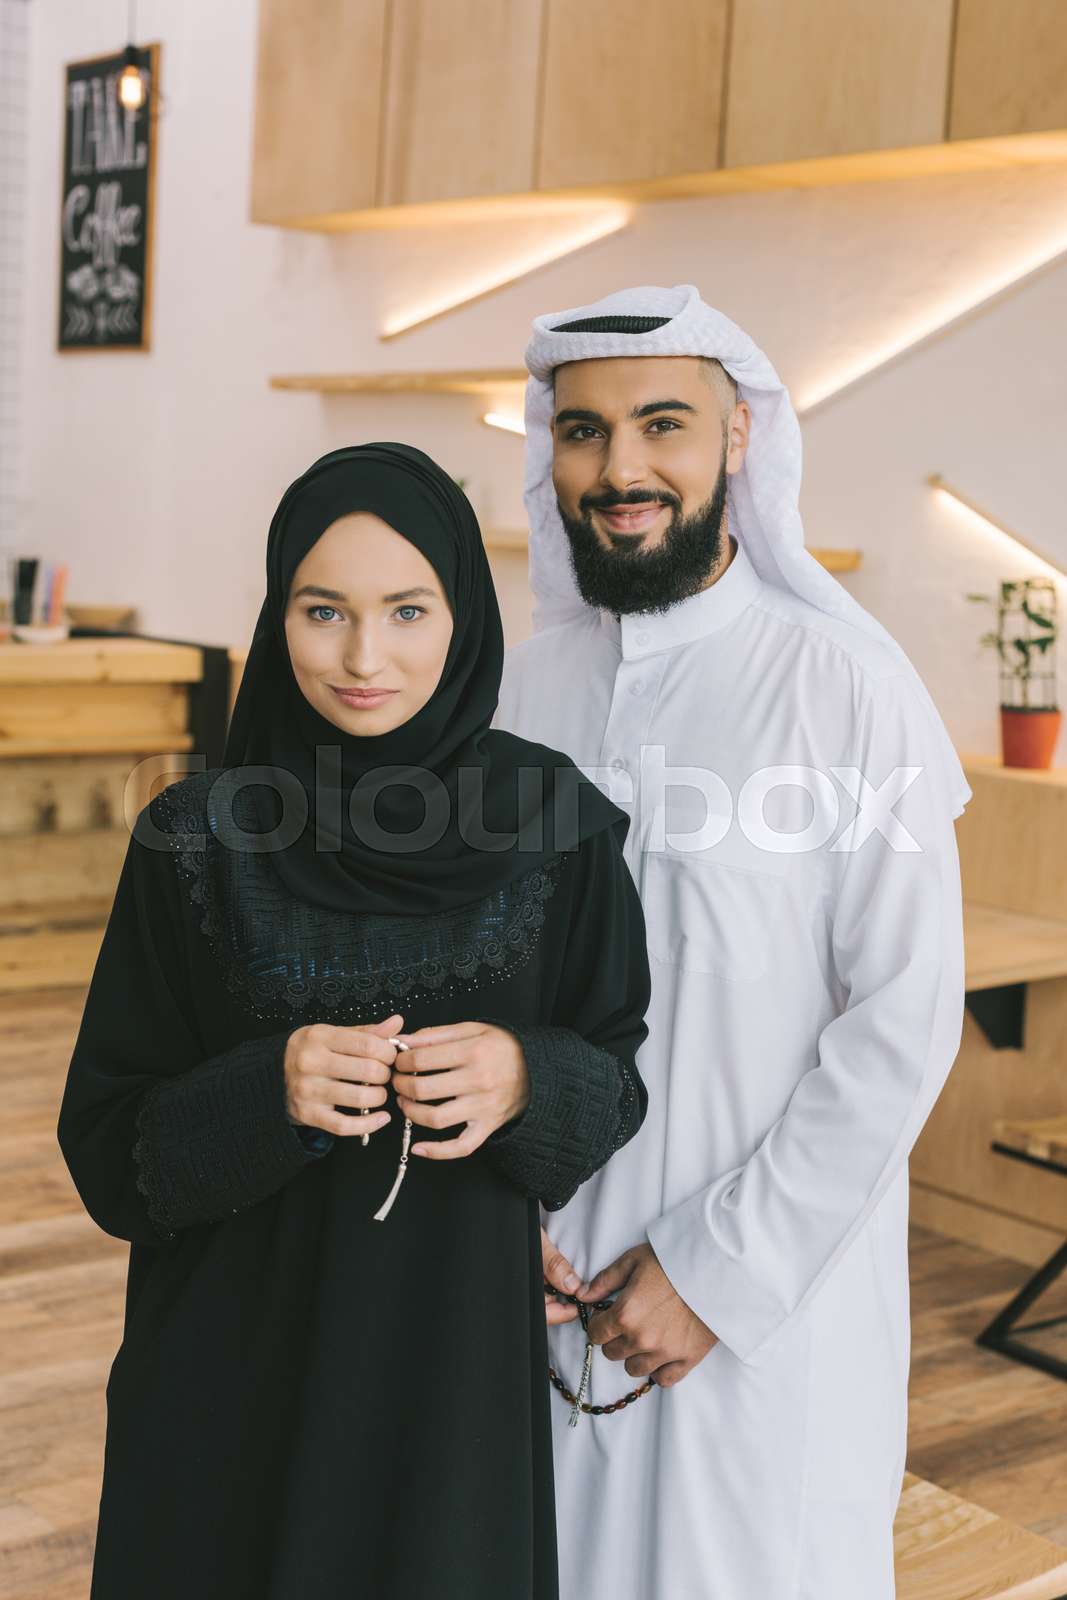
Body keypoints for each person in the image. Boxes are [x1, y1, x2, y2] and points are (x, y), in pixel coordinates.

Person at [57, 443, 652, 1600]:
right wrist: (266, 1089)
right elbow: (108, 1151)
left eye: (406, 611)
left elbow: (612, 1082)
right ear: (276, 613)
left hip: (447, 1395)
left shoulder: (558, 828)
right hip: (226, 1386)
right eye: (322, 610)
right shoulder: (194, 837)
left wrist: (524, 1077)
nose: (362, 657)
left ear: (463, 616)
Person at [494, 286, 969, 1599]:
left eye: (662, 424)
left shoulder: (846, 690)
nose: (619, 469)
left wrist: (714, 1273)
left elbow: (900, 1021)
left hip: (762, 1319)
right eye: (583, 432)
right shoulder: (520, 696)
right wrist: (488, 1232)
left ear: (737, 438)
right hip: (539, 1291)